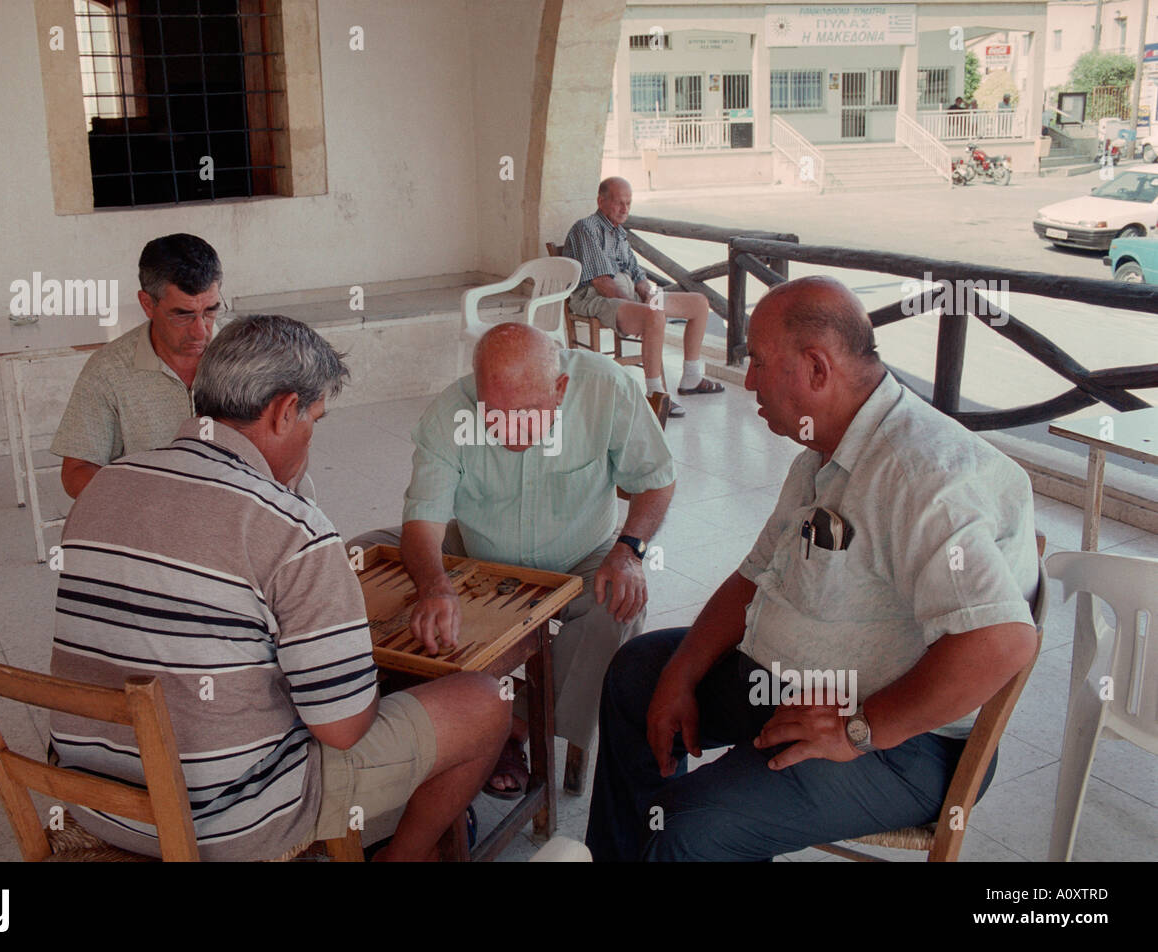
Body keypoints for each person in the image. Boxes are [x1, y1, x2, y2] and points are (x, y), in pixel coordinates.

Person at [585, 276, 1040, 861]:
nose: (747, 380)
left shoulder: (917, 476)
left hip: (905, 740)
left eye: (758, 361)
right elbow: (753, 576)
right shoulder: (825, 451)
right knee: (638, 675)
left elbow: (1002, 642)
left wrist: (859, 730)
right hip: (793, 678)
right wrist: (682, 673)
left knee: (686, 827)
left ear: (818, 369)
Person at [49, 314, 510, 861]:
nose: (311, 438)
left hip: (97, 801)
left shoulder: (104, 487)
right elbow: (340, 730)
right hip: (227, 822)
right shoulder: (290, 527)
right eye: (314, 418)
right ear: (284, 409)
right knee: (486, 700)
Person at [349, 322, 676, 798]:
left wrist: (629, 550)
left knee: (616, 606)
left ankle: (513, 727)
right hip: (478, 551)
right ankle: (397, 698)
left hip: (579, 555)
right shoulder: (450, 412)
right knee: (354, 560)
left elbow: (657, 479)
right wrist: (436, 585)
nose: (507, 431)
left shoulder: (606, 387)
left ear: (560, 388)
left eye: (524, 414)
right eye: (492, 415)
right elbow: (423, 523)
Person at [51, 234, 229, 499]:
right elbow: (77, 469)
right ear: (148, 304)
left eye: (210, 311)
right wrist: (140, 501)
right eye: (183, 315)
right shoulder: (109, 369)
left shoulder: (246, 353)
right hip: (148, 518)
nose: (200, 331)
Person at [562, 176, 724, 418]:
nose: (625, 209)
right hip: (596, 298)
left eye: (629, 203)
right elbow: (603, 283)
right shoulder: (586, 229)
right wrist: (643, 312)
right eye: (619, 203)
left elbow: (638, 275)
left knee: (699, 303)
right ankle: (655, 395)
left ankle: (691, 377)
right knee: (654, 317)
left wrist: (648, 295)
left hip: (629, 296)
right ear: (601, 201)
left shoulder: (619, 233)